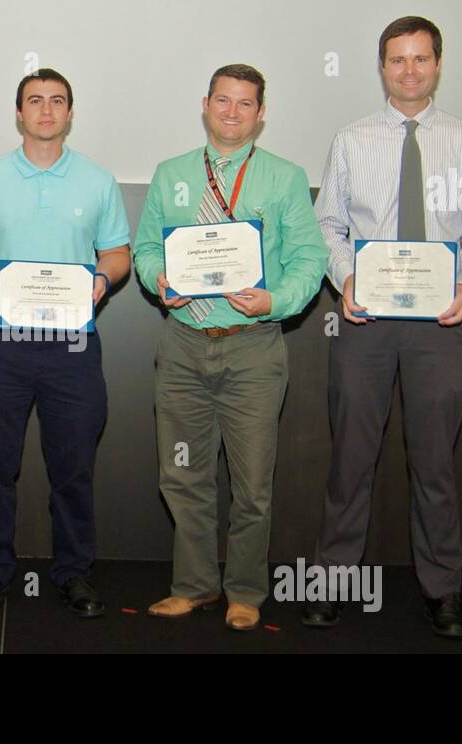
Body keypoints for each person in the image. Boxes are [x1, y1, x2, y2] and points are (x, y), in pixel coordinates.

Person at [307, 16, 462, 638]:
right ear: (382, 66)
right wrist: (347, 280)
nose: (410, 70)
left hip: (440, 324)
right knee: (351, 459)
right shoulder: (351, 140)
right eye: (398, 59)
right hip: (365, 323)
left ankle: (443, 590)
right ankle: (333, 582)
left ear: (438, 65)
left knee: (436, 464)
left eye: (422, 59)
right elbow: (326, 225)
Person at [134, 64, 327, 631]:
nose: (233, 112)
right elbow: (147, 247)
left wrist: (276, 300)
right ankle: (193, 585)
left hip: (253, 348)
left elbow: (310, 258)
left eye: (246, 104)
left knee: (252, 483)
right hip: (183, 345)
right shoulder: (170, 172)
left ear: (260, 113)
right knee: (182, 475)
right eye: (223, 100)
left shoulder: (284, 178)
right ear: (206, 104)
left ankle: (245, 589)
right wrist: (158, 278)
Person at [0, 69, 132, 619]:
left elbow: (118, 255)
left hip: (73, 345)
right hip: (1, 338)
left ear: (70, 112)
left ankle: (74, 572)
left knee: (73, 466)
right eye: (35, 101)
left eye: (57, 101)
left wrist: (101, 281)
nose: (46, 110)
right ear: (19, 112)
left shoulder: (98, 181)